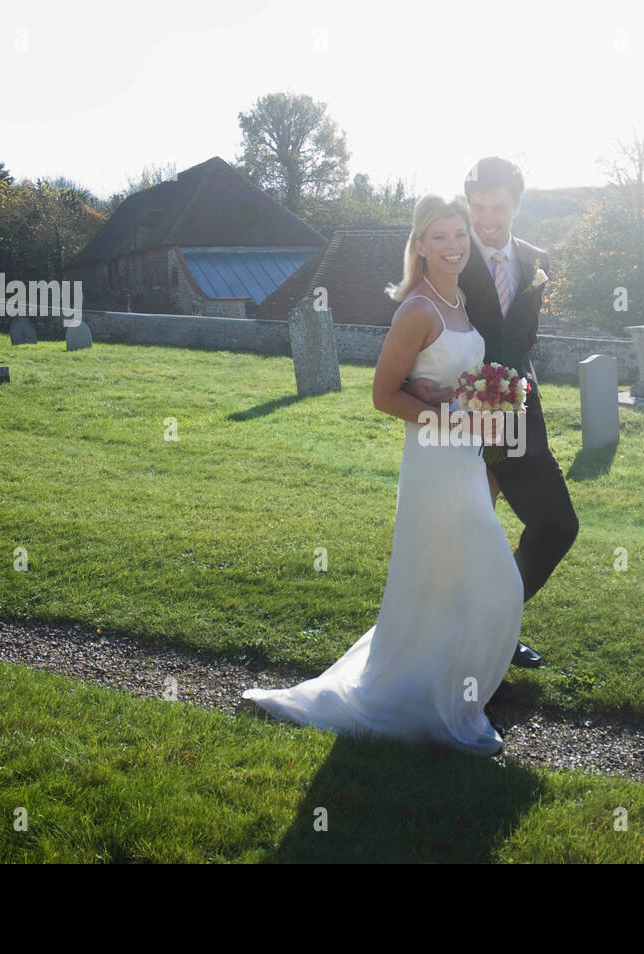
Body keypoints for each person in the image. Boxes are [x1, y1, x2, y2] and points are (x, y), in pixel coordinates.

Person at [237, 195, 522, 757]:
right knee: (495, 584)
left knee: (454, 582)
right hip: (434, 464)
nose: (454, 245)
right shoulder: (417, 309)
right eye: (439, 236)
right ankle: (426, 702)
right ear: (418, 245)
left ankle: (445, 691)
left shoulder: (460, 300)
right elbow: (382, 395)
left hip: (461, 458)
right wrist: (449, 417)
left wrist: (480, 401)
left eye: (459, 235)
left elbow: (449, 376)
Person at [403, 156, 579, 669]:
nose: (486, 219)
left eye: (499, 207)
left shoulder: (535, 260)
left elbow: (523, 340)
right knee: (466, 533)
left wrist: (521, 393)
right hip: (459, 422)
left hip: (520, 417)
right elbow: (418, 310)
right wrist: (420, 380)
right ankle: (463, 644)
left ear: (517, 206)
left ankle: (492, 620)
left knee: (557, 525)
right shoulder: (452, 254)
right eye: (478, 207)